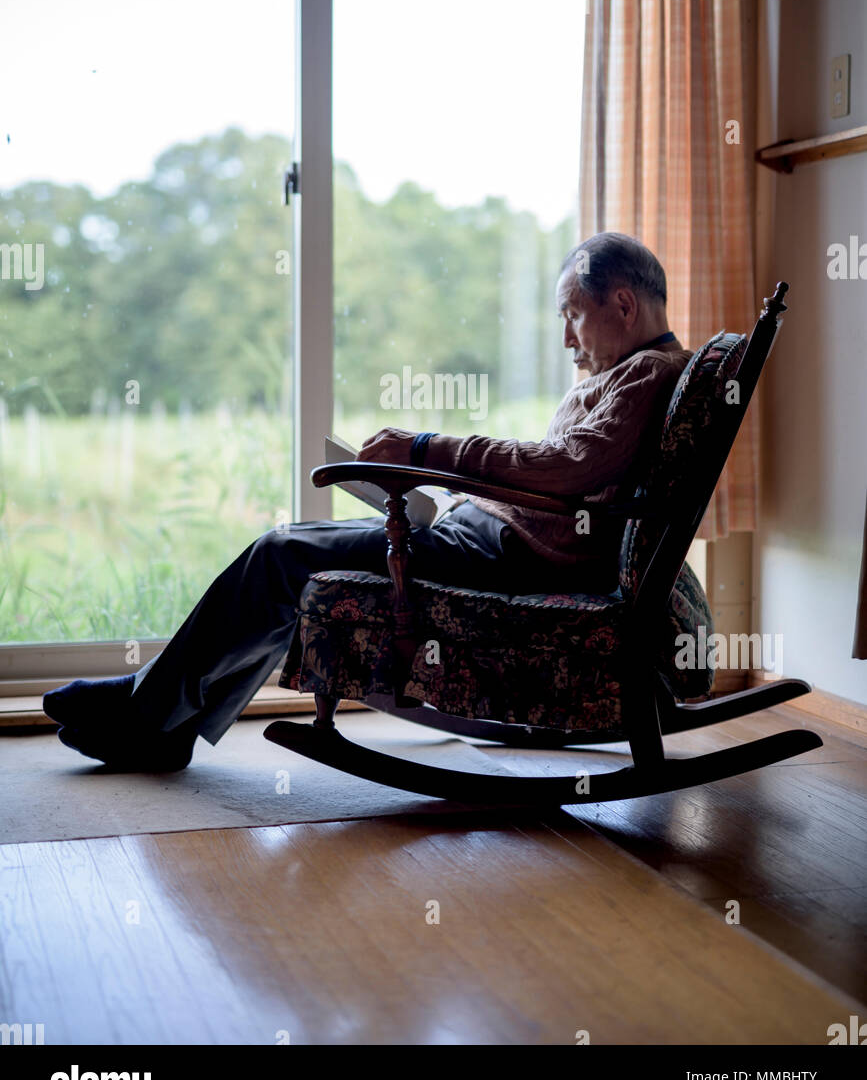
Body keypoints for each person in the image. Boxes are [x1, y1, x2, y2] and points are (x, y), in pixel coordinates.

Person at [44, 231, 693, 770]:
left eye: (570, 317)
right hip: (485, 536)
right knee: (293, 555)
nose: (566, 341)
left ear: (622, 305)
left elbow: (567, 467)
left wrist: (425, 449)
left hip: (502, 554)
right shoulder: (633, 372)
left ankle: (148, 715)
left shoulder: (647, 374)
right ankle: (165, 719)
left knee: (283, 553)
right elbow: (566, 466)